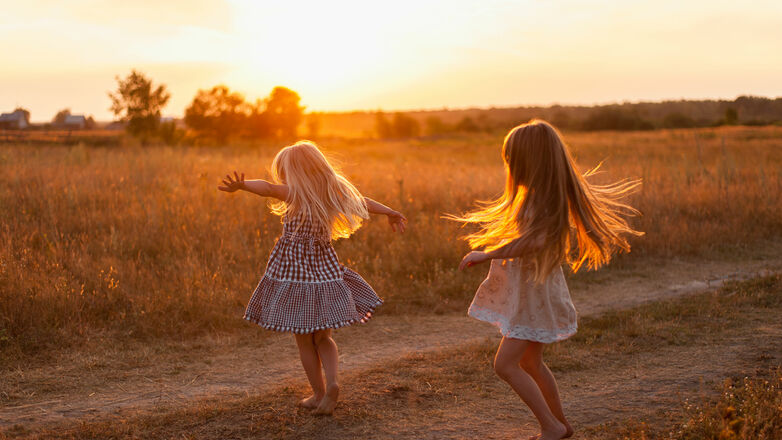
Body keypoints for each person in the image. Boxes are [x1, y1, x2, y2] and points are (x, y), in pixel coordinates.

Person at [453, 120, 642, 439]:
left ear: (530, 161)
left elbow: (537, 241)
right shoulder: (540, 196)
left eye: (512, 160)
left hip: (535, 297)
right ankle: (561, 425)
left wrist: (489, 254)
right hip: (536, 293)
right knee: (530, 363)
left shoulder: (543, 199)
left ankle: (550, 426)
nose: (509, 166)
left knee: (505, 365)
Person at [219, 141, 407, 415]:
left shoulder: (295, 193)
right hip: (324, 272)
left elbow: (268, 189)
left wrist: (243, 185)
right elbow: (363, 202)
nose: (281, 178)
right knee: (324, 338)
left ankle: (319, 394)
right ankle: (332, 383)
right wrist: (390, 211)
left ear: (293, 172)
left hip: (295, 276)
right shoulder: (332, 193)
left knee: (304, 340)